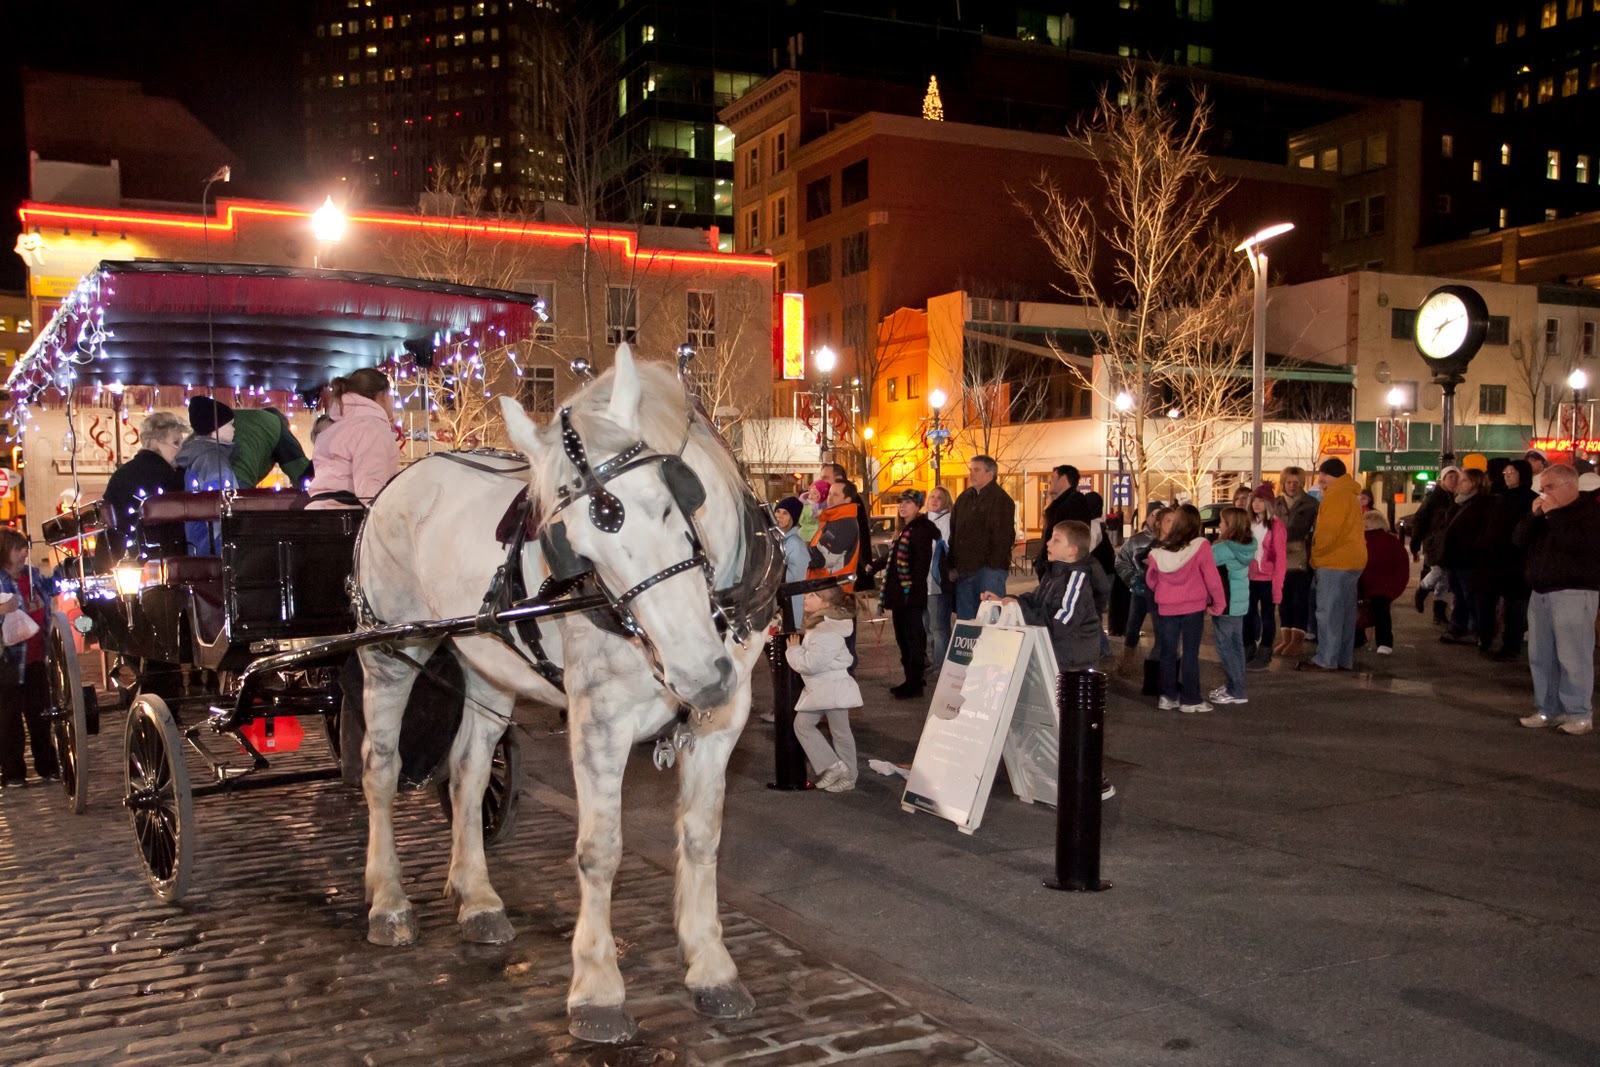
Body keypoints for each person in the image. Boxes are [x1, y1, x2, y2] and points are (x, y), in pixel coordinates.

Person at [1514, 463, 1599, 735]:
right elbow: (1518, 540)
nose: (1544, 492)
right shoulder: (1544, 515)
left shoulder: (1588, 514)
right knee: (1541, 656)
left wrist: (1553, 516)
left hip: (1574, 591)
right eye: (1542, 487)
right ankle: (1547, 708)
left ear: (1569, 485)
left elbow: (1578, 545)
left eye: (1549, 487)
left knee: (1573, 656)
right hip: (1540, 592)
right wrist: (1532, 516)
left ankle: (1578, 713)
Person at [989, 519, 1108, 670]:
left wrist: (1020, 609)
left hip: (1072, 664)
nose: (1048, 543)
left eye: (1056, 540)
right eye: (1051, 538)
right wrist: (1007, 601)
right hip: (1057, 657)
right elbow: (1035, 600)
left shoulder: (1076, 580)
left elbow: (1059, 623)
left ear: (1072, 550)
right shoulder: (1055, 573)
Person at [1145, 506, 1225, 713]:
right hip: (1193, 606)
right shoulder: (1200, 546)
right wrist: (1218, 603)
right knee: (1190, 653)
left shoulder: (1159, 552)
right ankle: (1190, 699)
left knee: (1168, 652)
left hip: (1166, 607)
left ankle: (1167, 696)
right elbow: (1212, 578)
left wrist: (1164, 590)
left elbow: (1151, 579)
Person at [784, 586, 862, 790]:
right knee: (804, 725)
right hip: (822, 689)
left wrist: (793, 651)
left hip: (832, 689)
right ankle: (833, 766)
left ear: (826, 603)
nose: (805, 598)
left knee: (840, 732)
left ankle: (849, 777)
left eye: (813, 596)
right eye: (807, 594)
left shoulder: (827, 630)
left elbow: (810, 664)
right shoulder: (822, 626)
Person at [0, 529, 59, 789]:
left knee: (41, 716)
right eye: (18, 549)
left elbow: (51, 586)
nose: (25, 553)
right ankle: (13, 773)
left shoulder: (32, 575)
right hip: (8, 663)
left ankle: (47, 767)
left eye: (25, 548)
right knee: (9, 720)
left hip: (35, 659)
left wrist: (67, 569)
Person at [1298, 458, 1367, 673]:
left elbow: (1328, 532)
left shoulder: (1336, 496)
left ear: (1329, 475)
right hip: (1353, 560)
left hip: (1335, 561)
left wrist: (1315, 557)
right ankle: (1343, 659)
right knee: (1345, 613)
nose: (1320, 481)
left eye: (1323, 476)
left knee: (1328, 613)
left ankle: (1326, 659)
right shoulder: (1350, 494)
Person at [873, 489, 940, 699]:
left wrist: (912, 592)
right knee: (903, 638)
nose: (903, 506)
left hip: (910, 593)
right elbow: (892, 559)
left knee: (913, 638)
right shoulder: (904, 529)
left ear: (918, 506)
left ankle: (914, 683)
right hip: (900, 594)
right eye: (901, 503)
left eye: (908, 503)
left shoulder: (920, 530)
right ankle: (910, 680)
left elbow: (920, 565)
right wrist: (872, 566)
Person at [305, 369, 399, 509]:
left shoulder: (333, 428)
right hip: (347, 515)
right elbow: (369, 488)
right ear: (381, 396)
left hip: (317, 510)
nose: (393, 399)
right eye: (390, 394)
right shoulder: (372, 428)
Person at [1473, 458, 1536, 660]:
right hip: (1493, 560)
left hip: (1516, 561)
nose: (1507, 476)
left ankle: (1511, 645)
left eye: (1512, 473)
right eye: (1505, 473)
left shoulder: (1530, 500)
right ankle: (1485, 638)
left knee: (1514, 606)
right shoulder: (1498, 498)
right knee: (1487, 601)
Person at [102, 411, 187, 556]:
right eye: (176, 443)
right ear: (154, 443)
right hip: (169, 560)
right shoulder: (172, 476)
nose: (180, 450)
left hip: (127, 560)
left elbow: (110, 530)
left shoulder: (120, 475)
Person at [947, 456, 1016, 620]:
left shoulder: (1001, 500)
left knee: (989, 619)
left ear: (990, 473)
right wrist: (952, 565)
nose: (971, 474)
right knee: (966, 622)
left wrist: (992, 565)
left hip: (988, 570)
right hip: (963, 570)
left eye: (976, 470)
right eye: (970, 470)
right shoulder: (964, 498)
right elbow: (954, 534)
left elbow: (1003, 538)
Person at [176, 396, 241, 554]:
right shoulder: (213, 459)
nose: (234, 429)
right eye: (230, 424)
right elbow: (220, 506)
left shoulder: (198, 457)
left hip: (198, 540)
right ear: (216, 427)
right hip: (216, 544)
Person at [1438, 468, 1493, 645]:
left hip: (1468, 560)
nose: (1458, 484)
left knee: (1470, 597)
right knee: (1460, 595)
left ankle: (1474, 630)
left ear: (1475, 484)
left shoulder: (1480, 505)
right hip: (1456, 559)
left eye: (1463, 481)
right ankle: (1459, 626)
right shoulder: (1460, 503)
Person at [1209, 507, 1255, 705]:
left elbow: (1202, 564)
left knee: (1225, 647)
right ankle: (1236, 686)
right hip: (1240, 601)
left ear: (1230, 525)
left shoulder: (1223, 548)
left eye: (1222, 522)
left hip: (1225, 602)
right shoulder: (1248, 545)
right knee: (1236, 646)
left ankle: (1235, 690)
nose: (1219, 525)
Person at [1275, 466, 1318, 657]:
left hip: (1301, 559)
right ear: (1283, 483)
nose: (1292, 486)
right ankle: (1285, 639)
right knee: (1283, 601)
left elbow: (1313, 531)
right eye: (1289, 482)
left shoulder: (1311, 504)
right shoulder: (1275, 503)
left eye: (1296, 482)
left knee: (1300, 600)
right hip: (1278, 559)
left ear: (1302, 483)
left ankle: (1297, 640)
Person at [1410, 465, 1461, 624]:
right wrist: (1416, 543)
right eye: (1450, 477)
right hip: (1435, 542)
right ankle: (1422, 589)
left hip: (1449, 543)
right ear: (1443, 479)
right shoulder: (1434, 497)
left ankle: (1439, 612)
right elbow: (1420, 519)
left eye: (1456, 477)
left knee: (1444, 577)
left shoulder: (1456, 498)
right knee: (1438, 571)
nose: (1453, 480)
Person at [1116, 505, 1164, 671]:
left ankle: (1157, 665)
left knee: (1161, 630)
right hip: (1140, 591)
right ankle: (1126, 661)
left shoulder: (1170, 541)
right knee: (1133, 627)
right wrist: (1133, 580)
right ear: (1148, 517)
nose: (1158, 520)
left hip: (1161, 593)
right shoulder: (1135, 540)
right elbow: (1121, 561)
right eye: (1155, 515)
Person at [1356, 511, 1409, 655]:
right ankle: (1384, 642)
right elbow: (1401, 564)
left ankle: (1358, 638)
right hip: (1383, 586)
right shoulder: (1391, 541)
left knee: (1358, 611)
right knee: (1382, 613)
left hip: (1365, 583)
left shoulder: (1360, 540)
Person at [1245, 484, 1286, 669]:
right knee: (1248, 614)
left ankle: (1265, 651)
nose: (1257, 504)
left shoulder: (1277, 526)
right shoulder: (1248, 524)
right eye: (1254, 500)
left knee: (1268, 616)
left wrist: (1277, 586)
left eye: (1261, 500)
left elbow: (1280, 559)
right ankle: (1248, 647)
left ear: (1268, 503)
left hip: (1268, 578)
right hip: (1249, 577)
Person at [228, 406, 312, 489]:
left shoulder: (242, 419)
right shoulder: (277, 426)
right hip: (238, 481)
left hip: (218, 475)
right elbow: (302, 471)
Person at [1035, 465, 1091, 577]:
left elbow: (1073, 537)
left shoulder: (1074, 503)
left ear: (1064, 478)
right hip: (1053, 567)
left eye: (1053, 477)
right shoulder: (1059, 503)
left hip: (1062, 569)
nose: (1050, 482)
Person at [923, 486, 954, 675]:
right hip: (922, 584)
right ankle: (934, 661)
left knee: (939, 627)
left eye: (939, 498)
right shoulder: (923, 520)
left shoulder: (947, 521)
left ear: (946, 501)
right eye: (932, 496)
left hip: (937, 582)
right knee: (927, 627)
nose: (934, 500)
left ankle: (942, 666)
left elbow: (946, 549)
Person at [806, 478, 861, 582]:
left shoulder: (844, 524)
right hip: (822, 586)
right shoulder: (832, 519)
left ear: (847, 500)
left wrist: (797, 551)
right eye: (829, 493)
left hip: (831, 589)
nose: (829, 498)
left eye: (835, 495)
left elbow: (822, 558)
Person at [773, 496, 809, 632]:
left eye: (785, 513)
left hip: (792, 609)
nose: (779, 516)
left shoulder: (794, 543)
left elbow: (796, 577)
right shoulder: (779, 540)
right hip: (782, 606)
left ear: (792, 518)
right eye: (778, 511)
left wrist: (773, 574)